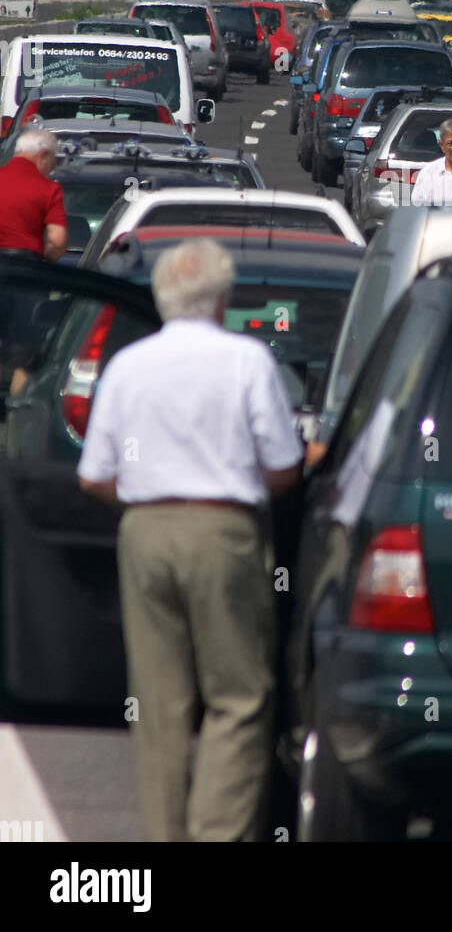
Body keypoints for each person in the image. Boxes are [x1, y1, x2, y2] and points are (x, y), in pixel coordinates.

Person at [77, 238, 304, 842]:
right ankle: (218, 830)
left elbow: (95, 475)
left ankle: (166, 836)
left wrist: (153, 495)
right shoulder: (246, 360)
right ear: (222, 298)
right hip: (222, 530)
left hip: (145, 532)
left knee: (159, 701)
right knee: (238, 695)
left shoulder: (129, 364)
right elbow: (283, 467)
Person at [0, 127, 67, 260]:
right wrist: (44, 265)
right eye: (53, 160)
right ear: (43, 155)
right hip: (25, 265)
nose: (52, 167)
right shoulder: (48, 188)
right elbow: (57, 241)